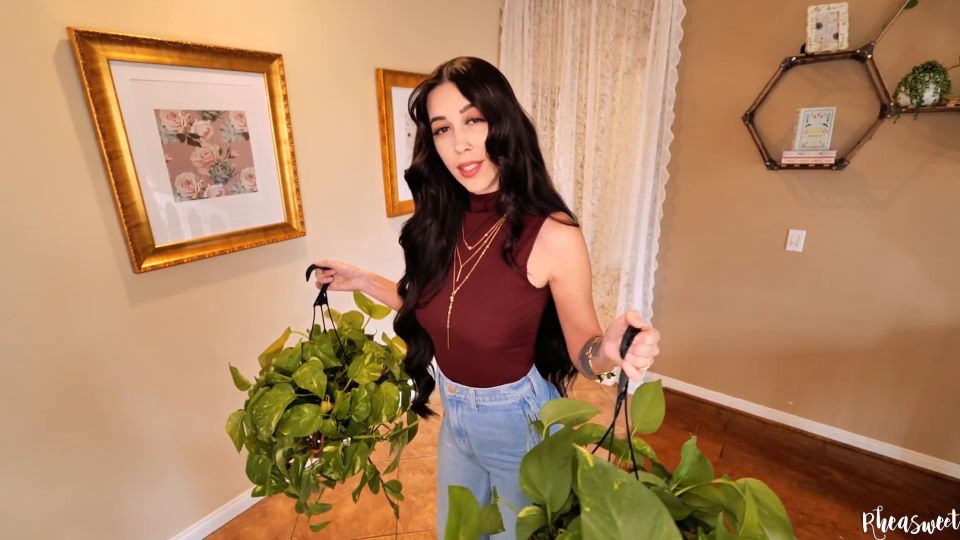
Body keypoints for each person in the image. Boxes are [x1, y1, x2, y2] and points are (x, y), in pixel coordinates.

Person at [314, 56, 660, 539]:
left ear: (503, 122)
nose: (460, 143)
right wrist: (365, 281)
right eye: (442, 128)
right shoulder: (442, 219)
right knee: (455, 533)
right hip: (455, 416)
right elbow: (437, 310)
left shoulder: (552, 234)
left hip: (519, 423)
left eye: (473, 120)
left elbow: (585, 352)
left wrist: (609, 348)